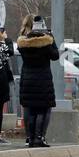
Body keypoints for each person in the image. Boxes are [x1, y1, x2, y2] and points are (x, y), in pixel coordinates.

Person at [17, 12, 59, 147]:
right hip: (43, 79)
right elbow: (55, 55)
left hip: (27, 79)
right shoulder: (46, 41)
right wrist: (51, 38)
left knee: (29, 109)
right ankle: (39, 137)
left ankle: (29, 137)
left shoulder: (24, 42)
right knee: (44, 109)